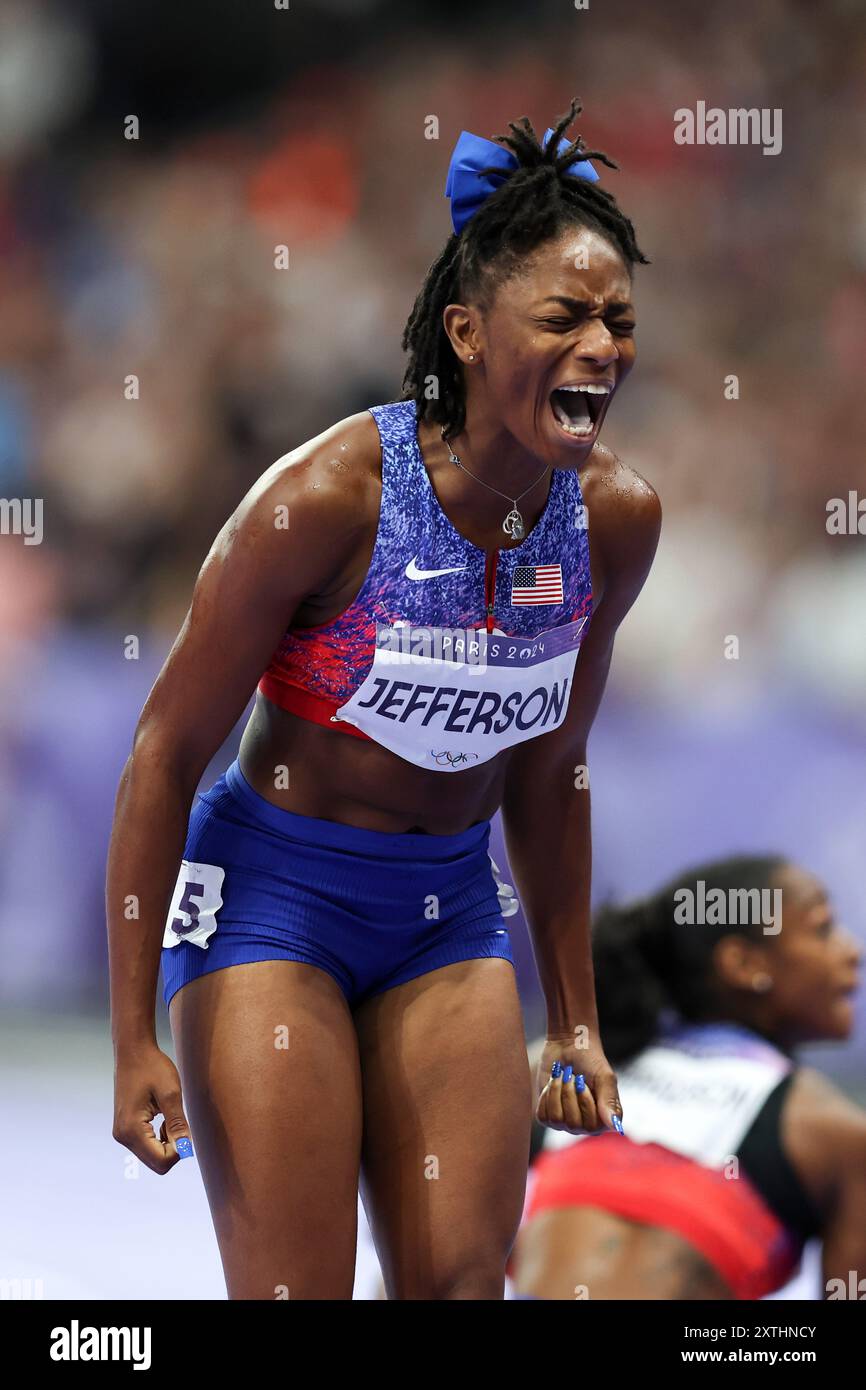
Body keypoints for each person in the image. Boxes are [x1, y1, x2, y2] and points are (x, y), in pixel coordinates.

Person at [106, 97, 661, 1300]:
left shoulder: (613, 520)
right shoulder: (324, 502)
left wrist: (572, 1016)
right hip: (269, 903)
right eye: (562, 317)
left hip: (447, 912)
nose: (601, 348)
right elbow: (163, 752)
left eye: (618, 320)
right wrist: (131, 1033)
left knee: (459, 1287)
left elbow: (553, 763)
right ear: (464, 330)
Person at [512, 855, 865, 1300]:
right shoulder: (829, 1130)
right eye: (823, 929)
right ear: (743, 964)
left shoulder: (551, 1072)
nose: (854, 951)